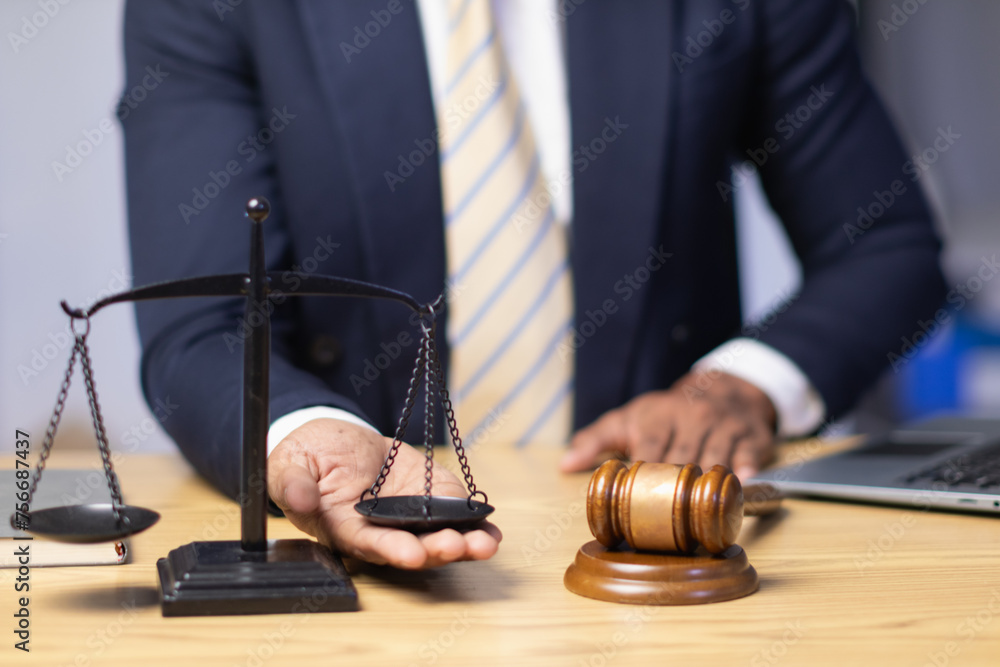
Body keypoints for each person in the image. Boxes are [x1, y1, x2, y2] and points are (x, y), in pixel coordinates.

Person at [121, 0, 945, 569]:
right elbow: (202, 325)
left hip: (657, 557)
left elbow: (888, 247)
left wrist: (744, 387)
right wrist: (311, 437)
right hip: (371, 582)